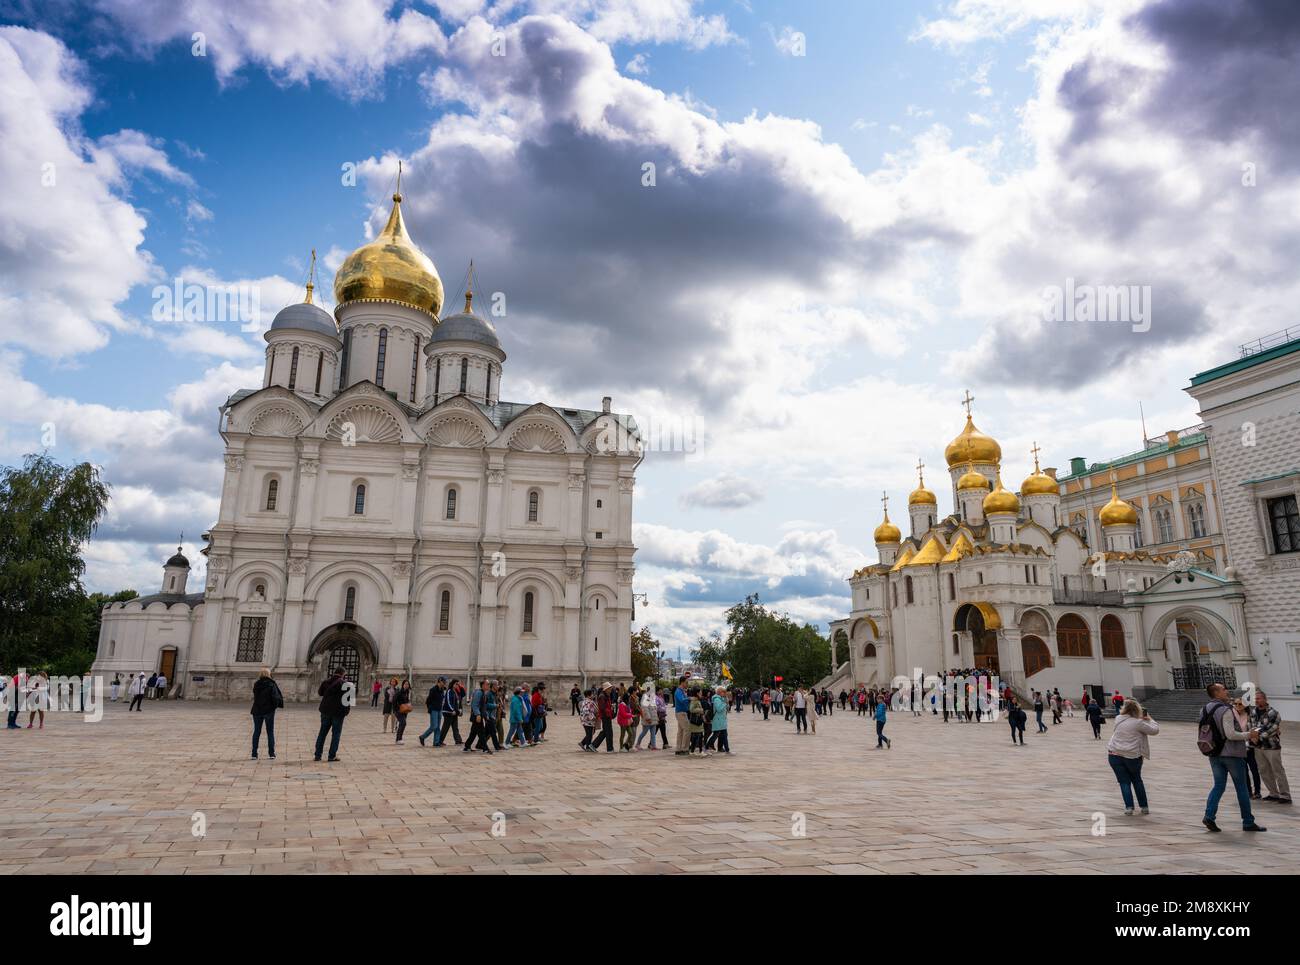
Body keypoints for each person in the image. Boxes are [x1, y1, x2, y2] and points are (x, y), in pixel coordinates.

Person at [1200, 683, 1265, 833]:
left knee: (1218, 786)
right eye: (1223, 689)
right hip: (1231, 754)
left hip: (1213, 752)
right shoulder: (1225, 710)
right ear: (1216, 693)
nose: (1226, 691)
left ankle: (1209, 816)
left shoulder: (1204, 709)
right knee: (1241, 787)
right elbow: (1230, 734)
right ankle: (1248, 821)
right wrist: (1250, 734)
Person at [1106, 699, 1158, 815]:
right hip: (1132, 756)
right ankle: (1144, 807)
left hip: (1114, 753)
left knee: (1124, 782)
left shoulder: (1118, 719)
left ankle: (1129, 807)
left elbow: (1128, 722)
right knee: (1136, 780)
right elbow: (1155, 730)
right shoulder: (1138, 723)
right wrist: (1149, 719)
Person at [1248, 690, 1291, 804]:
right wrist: (1252, 736)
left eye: (1258, 698)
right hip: (1258, 747)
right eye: (1255, 699)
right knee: (1264, 771)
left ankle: (1285, 795)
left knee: (1278, 770)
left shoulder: (1273, 713)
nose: (1256, 701)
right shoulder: (1252, 712)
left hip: (1272, 746)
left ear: (1265, 699)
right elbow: (1250, 726)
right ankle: (1273, 793)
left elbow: (1272, 729)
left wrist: (1257, 736)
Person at [314, 668, 349, 762]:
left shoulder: (326, 682)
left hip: (325, 711)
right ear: (343, 674)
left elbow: (320, 693)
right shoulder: (344, 684)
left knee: (322, 733)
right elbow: (348, 700)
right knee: (336, 734)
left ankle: (317, 755)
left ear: (334, 672)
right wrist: (346, 711)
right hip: (338, 712)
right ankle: (331, 756)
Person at [250, 668, 282, 760]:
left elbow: (256, 696)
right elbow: (276, 698)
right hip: (268, 711)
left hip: (257, 710)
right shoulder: (271, 684)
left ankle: (254, 754)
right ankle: (271, 753)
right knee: (270, 732)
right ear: (269, 674)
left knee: (257, 731)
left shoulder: (256, 684)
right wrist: (274, 707)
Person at [419, 676, 445, 747]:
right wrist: (429, 708)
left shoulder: (442, 690)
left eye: (444, 682)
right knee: (434, 726)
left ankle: (436, 742)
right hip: (433, 710)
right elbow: (428, 700)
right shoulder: (433, 690)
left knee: (438, 727)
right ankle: (422, 737)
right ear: (439, 682)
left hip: (439, 710)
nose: (443, 684)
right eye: (442, 682)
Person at [438, 678, 463, 745]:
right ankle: (439, 741)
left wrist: (458, 710)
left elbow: (458, 701)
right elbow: (448, 701)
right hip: (448, 712)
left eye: (458, 684)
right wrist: (452, 710)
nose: (457, 685)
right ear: (452, 684)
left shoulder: (456, 692)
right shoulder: (449, 691)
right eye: (456, 684)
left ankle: (458, 740)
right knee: (445, 728)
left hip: (454, 713)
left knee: (455, 728)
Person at [592, 682, 616, 752]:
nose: (611, 690)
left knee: (606, 732)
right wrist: (610, 710)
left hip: (607, 715)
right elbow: (602, 707)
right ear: (606, 689)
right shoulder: (602, 696)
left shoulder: (606, 695)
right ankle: (609, 748)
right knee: (608, 732)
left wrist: (611, 707)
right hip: (605, 716)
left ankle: (593, 745)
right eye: (610, 689)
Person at [706, 686, 730, 753]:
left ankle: (722, 748)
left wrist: (726, 703)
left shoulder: (722, 698)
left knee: (723, 734)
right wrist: (725, 703)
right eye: (724, 692)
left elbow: (726, 708)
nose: (725, 693)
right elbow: (719, 709)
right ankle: (707, 746)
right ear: (719, 692)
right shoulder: (716, 699)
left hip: (722, 720)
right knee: (717, 734)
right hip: (718, 719)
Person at [635, 685, 659, 749]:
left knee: (653, 734)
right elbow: (645, 709)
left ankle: (653, 746)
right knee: (644, 732)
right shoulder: (645, 697)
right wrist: (648, 718)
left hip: (653, 718)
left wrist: (656, 717)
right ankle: (637, 744)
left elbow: (654, 708)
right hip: (648, 719)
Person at [673, 676, 691, 754]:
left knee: (681, 731)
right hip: (681, 713)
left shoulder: (682, 691)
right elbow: (681, 700)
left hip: (682, 712)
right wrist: (689, 698)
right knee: (687, 729)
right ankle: (684, 748)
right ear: (682, 682)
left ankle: (679, 748)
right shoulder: (678, 691)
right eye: (686, 682)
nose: (687, 684)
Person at [392, 678, 412, 744]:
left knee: (402, 724)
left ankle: (399, 739)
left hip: (405, 711)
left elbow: (406, 701)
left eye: (407, 684)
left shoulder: (407, 692)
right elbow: (394, 700)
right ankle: (398, 739)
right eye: (405, 684)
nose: (406, 685)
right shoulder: (399, 692)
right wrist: (397, 709)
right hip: (398, 711)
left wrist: (408, 704)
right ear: (403, 685)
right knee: (403, 723)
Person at [687, 688, 706, 755]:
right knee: (698, 736)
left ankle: (695, 751)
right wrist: (700, 710)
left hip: (698, 721)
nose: (701, 694)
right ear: (697, 693)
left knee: (698, 736)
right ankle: (697, 751)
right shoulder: (694, 700)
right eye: (700, 693)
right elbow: (691, 709)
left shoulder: (697, 700)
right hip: (695, 721)